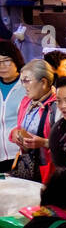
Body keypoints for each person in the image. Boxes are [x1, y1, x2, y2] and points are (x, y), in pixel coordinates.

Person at [10, 59, 58, 179]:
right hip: (28, 166)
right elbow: (20, 127)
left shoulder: (58, 106)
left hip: (51, 171)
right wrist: (15, 133)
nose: (24, 86)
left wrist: (44, 142)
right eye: (22, 81)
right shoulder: (26, 102)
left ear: (43, 82)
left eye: (27, 81)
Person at [0, 40, 25, 173]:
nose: (2, 66)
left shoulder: (27, 84)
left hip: (20, 155)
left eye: (7, 60)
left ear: (16, 60)